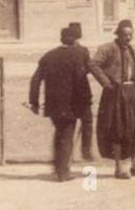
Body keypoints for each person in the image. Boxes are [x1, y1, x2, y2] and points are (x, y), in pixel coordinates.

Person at [28, 27, 93, 181]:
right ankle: (64, 171)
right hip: (71, 104)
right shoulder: (77, 55)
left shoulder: (48, 56)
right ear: (76, 40)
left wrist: (34, 102)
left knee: (60, 133)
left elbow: (35, 80)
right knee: (67, 134)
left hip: (53, 104)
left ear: (62, 39)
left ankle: (60, 167)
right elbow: (80, 81)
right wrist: (86, 101)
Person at [89, 19, 135, 180]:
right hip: (115, 94)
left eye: (130, 35)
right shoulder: (108, 48)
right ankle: (119, 168)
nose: (128, 38)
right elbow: (93, 64)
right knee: (117, 129)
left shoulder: (131, 49)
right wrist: (106, 83)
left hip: (131, 93)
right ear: (118, 34)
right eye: (125, 35)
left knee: (134, 128)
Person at [66, 21, 94, 161]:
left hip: (71, 92)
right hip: (81, 91)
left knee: (72, 123)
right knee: (86, 122)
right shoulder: (83, 51)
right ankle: (85, 152)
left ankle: (71, 153)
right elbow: (89, 68)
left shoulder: (65, 51)